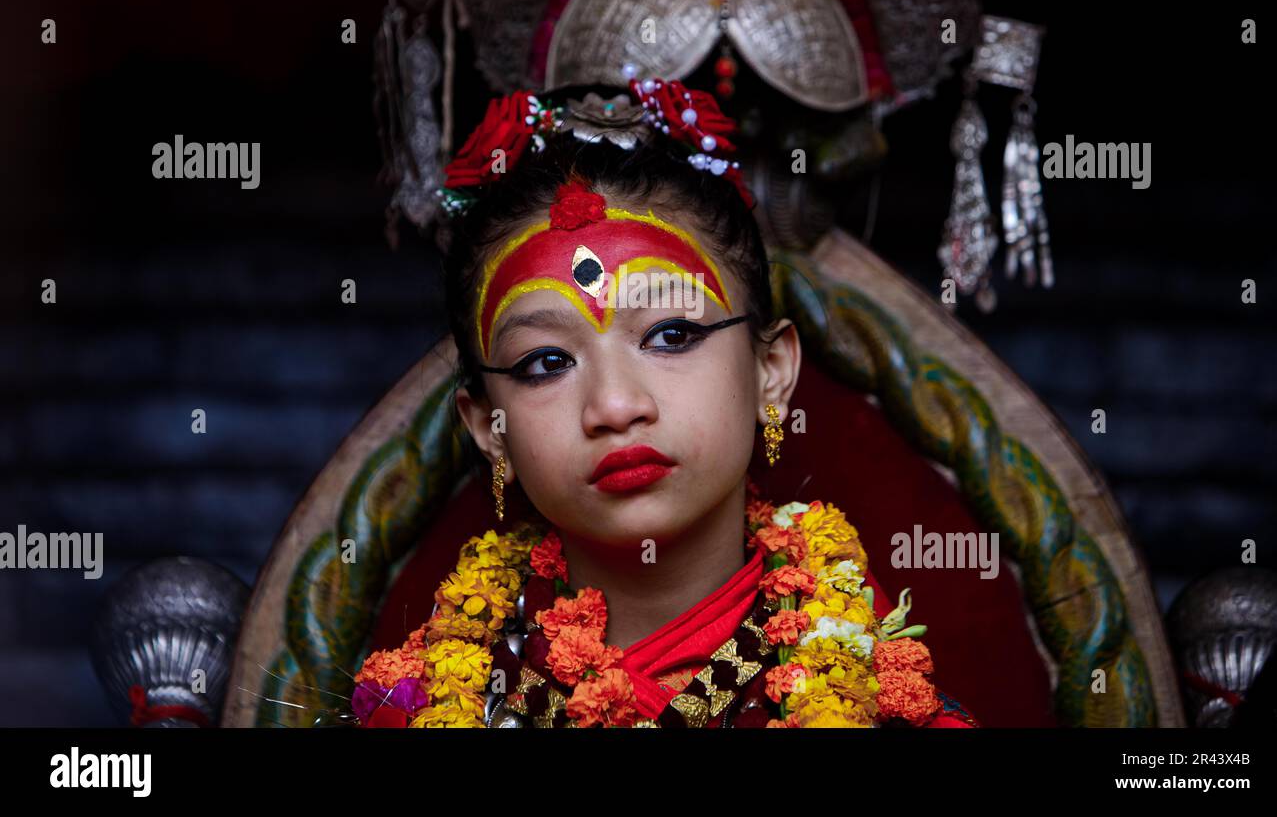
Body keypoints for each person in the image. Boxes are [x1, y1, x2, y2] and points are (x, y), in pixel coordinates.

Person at [350, 77, 978, 728]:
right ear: (489, 428)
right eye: (546, 362)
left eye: (671, 335)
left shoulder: (880, 702)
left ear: (771, 371)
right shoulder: (424, 704)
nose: (616, 406)